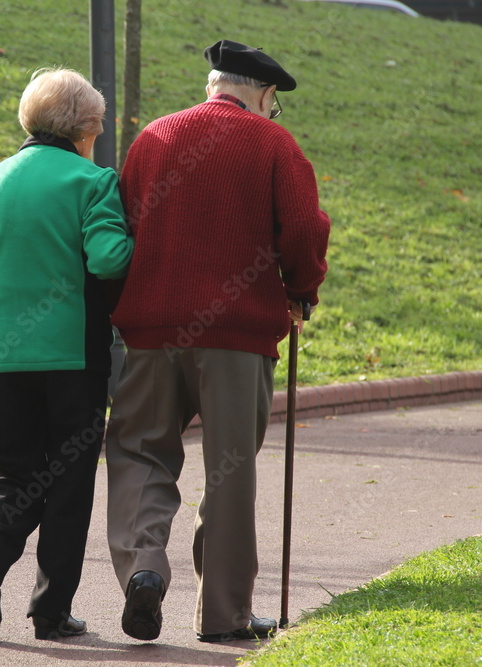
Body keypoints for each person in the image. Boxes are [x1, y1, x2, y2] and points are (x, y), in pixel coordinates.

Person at [105, 40, 331, 643]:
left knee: (140, 453)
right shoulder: (274, 144)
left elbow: (123, 225)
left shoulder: (153, 137)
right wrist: (301, 289)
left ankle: (145, 569)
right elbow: (304, 229)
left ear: (212, 86)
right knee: (229, 470)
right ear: (264, 94)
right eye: (273, 103)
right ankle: (223, 615)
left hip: (153, 331)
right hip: (237, 337)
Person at [0, 67, 133, 641]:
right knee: (69, 484)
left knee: (11, 474)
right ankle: (51, 612)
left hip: (2, 360)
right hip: (73, 360)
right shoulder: (93, 182)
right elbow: (107, 258)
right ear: (86, 127)